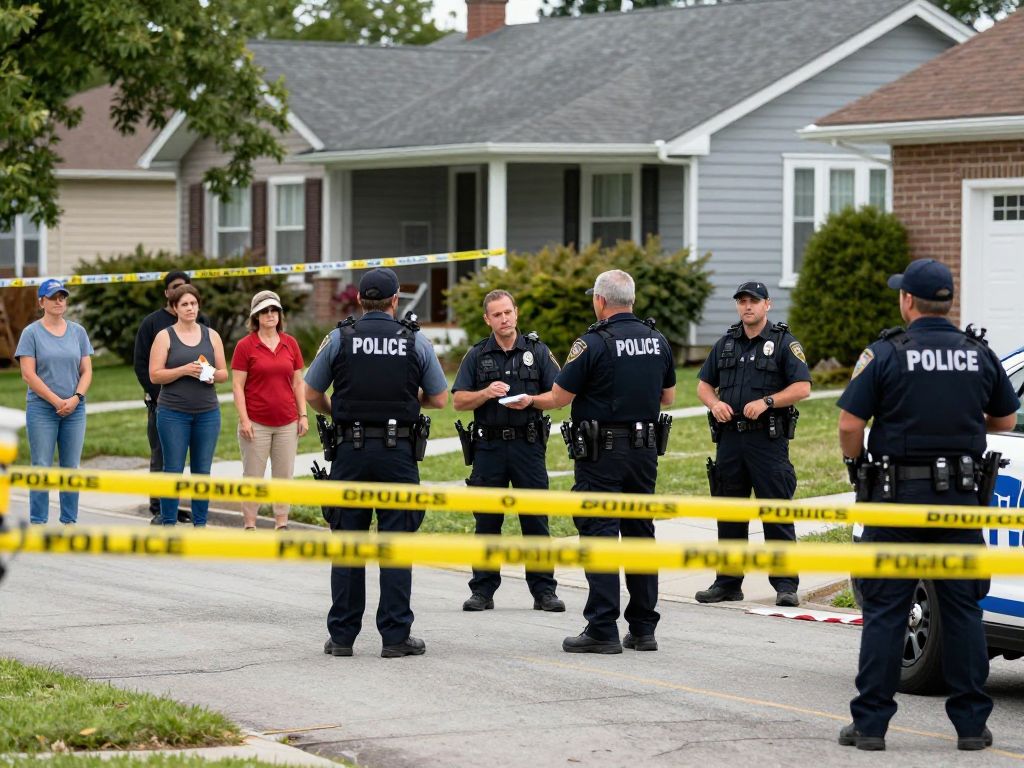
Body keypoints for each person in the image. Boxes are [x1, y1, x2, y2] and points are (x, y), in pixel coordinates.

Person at [836, 258, 1018, 752]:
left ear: (908, 301)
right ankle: (971, 728)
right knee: (962, 611)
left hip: (895, 502)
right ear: (948, 302)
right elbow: (1004, 420)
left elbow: (851, 425)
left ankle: (870, 726)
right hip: (959, 503)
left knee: (887, 612)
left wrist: (857, 469)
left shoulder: (887, 353)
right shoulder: (978, 354)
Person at [305, 267, 448, 659]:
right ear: (395, 300)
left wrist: (339, 410)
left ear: (358, 300)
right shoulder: (414, 341)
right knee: (395, 544)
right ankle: (395, 637)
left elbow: (311, 392)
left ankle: (342, 638)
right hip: (397, 453)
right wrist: (401, 402)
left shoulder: (339, 337)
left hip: (349, 453)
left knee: (349, 544)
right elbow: (438, 398)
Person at [531, 269, 675, 654]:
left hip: (601, 455)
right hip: (644, 453)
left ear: (600, 300)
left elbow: (560, 397)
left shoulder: (592, 343)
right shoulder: (656, 340)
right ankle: (644, 628)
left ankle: (602, 628)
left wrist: (529, 400)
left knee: (600, 535)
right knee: (641, 535)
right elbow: (668, 397)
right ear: (632, 299)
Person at [694, 281, 811, 607]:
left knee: (775, 511)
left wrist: (769, 401)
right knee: (730, 512)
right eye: (742, 301)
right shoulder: (726, 344)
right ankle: (728, 583)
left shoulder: (784, 343)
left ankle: (786, 585)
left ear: (767, 305)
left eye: (754, 301)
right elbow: (703, 384)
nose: (748, 306)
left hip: (767, 440)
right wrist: (713, 403)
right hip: (730, 439)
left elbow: (802, 387)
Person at [452, 289, 565, 613]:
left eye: (508, 312)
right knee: (487, 519)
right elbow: (458, 400)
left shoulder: (537, 351)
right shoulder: (477, 355)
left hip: (527, 445)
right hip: (488, 446)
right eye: (497, 314)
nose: (504, 319)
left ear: (516, 312)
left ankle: (544, 591)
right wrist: (486, 393)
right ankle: (482, 591)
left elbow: (557, 396)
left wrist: (531, 401)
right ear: (487, 319)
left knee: (535, 519)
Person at [133, 270, 210, 525]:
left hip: (198, 404)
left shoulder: (204, 323)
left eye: (188, 289)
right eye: (177, 288)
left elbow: (209, 360)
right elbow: (142, 365)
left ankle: (177, 508)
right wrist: (160, 396)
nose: (184, 294)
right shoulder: (153, 324)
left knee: (190, 460)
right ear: (168, 293)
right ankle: (159, 507)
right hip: (162, 402)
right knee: (163, 456)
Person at [15, 279, 93, 524]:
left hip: (75, 409)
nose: (59, 301)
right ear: (41, 302)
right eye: (53, 297)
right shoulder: (31, 333)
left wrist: (75, 398)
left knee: (71, 467)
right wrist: (56, 400)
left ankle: (69, 521)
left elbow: (87, 371)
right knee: (41, 465)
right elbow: (28, 374)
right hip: (42, 409)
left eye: (62, 297)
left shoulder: (78, 332)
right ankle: (38, 521)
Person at [149, 284, 228, 527]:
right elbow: (155, 375)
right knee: (173, 469)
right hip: (173, 413)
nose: (190, 308)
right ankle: (169, 522)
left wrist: (210, 373)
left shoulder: (211, 335)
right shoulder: (165, 336)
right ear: (174, 308)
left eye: (193, 303)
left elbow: (225, 373)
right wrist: (183, 370)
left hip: (207, 413)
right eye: (184, 304)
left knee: (202, 471)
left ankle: (200, 525)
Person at [231, 290, 308, 530]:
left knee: (284, 476)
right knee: (253, 476)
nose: (270, 314)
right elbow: (237, 386)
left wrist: (303, 414)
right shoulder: (245, 346)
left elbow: (298, 382)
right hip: (256, 423)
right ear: (255, 315)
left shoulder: (290, 343)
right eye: (264, 311)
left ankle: (281, 524)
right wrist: (244, 420)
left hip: (287, 422)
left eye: (274, 310)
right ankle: (250, 525)